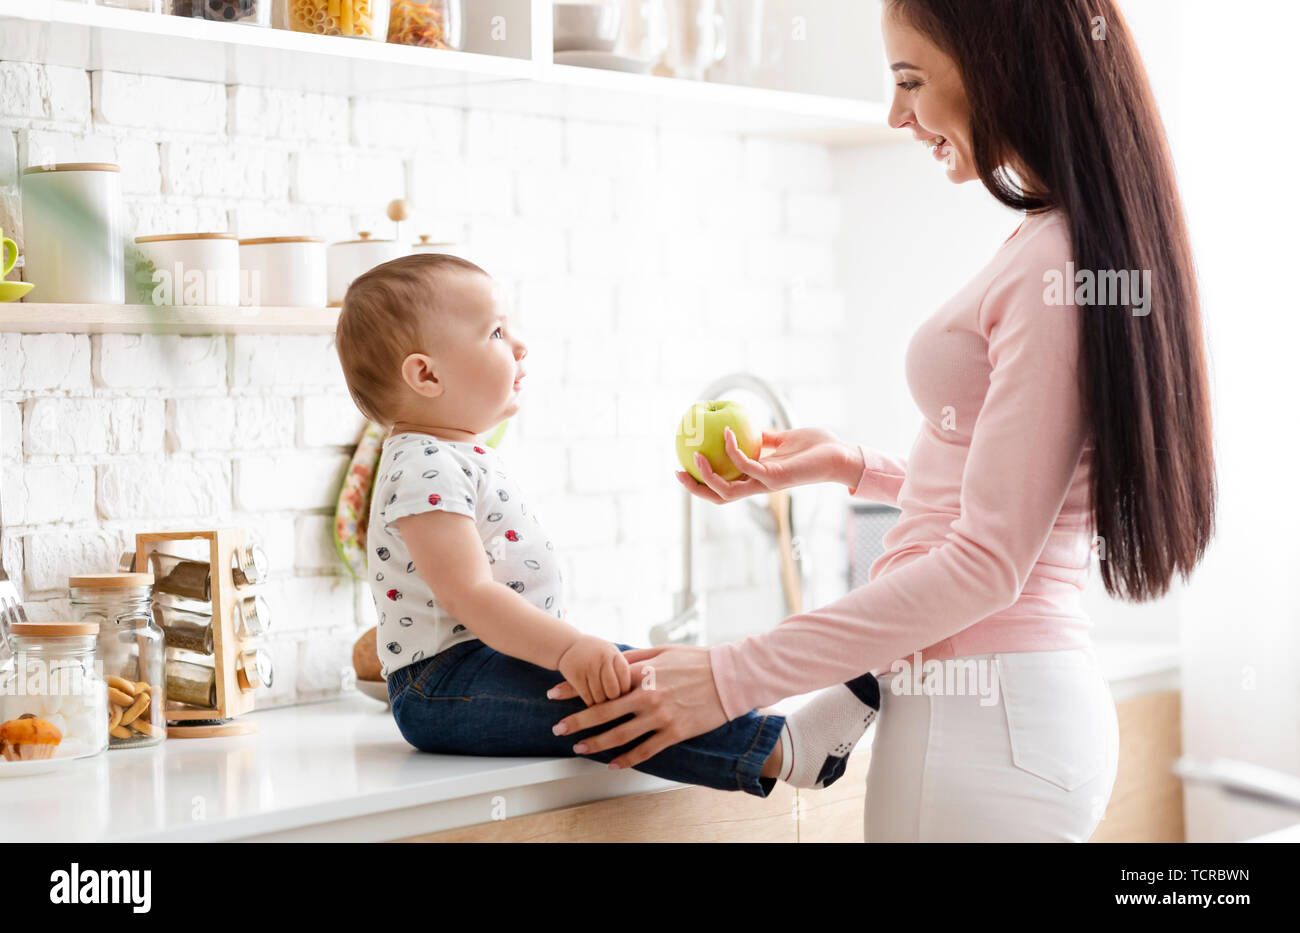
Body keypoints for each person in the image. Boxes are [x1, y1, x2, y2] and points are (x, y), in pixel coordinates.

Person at [546, 0, 1216, 842]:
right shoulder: (1061, 246)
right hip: (1009, 719)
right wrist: (851, 466)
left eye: (911, 80)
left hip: (984, 725)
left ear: (1000, 65)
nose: (897, 112)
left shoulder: (1053, 263)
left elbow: (984, 564)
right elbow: (1019, 497)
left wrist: (730, 674)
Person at [333, 252, 884, 798]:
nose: (521, 345)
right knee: (620, 697)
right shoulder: (423, 463)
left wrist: (575, 647)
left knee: (647, 672)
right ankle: (785, 752)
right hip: (444, 686)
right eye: (497, 333)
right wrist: (569, 649)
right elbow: (470, 594)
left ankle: (753, 721)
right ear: (426, 374)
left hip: (481, 667)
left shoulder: (454, 454)